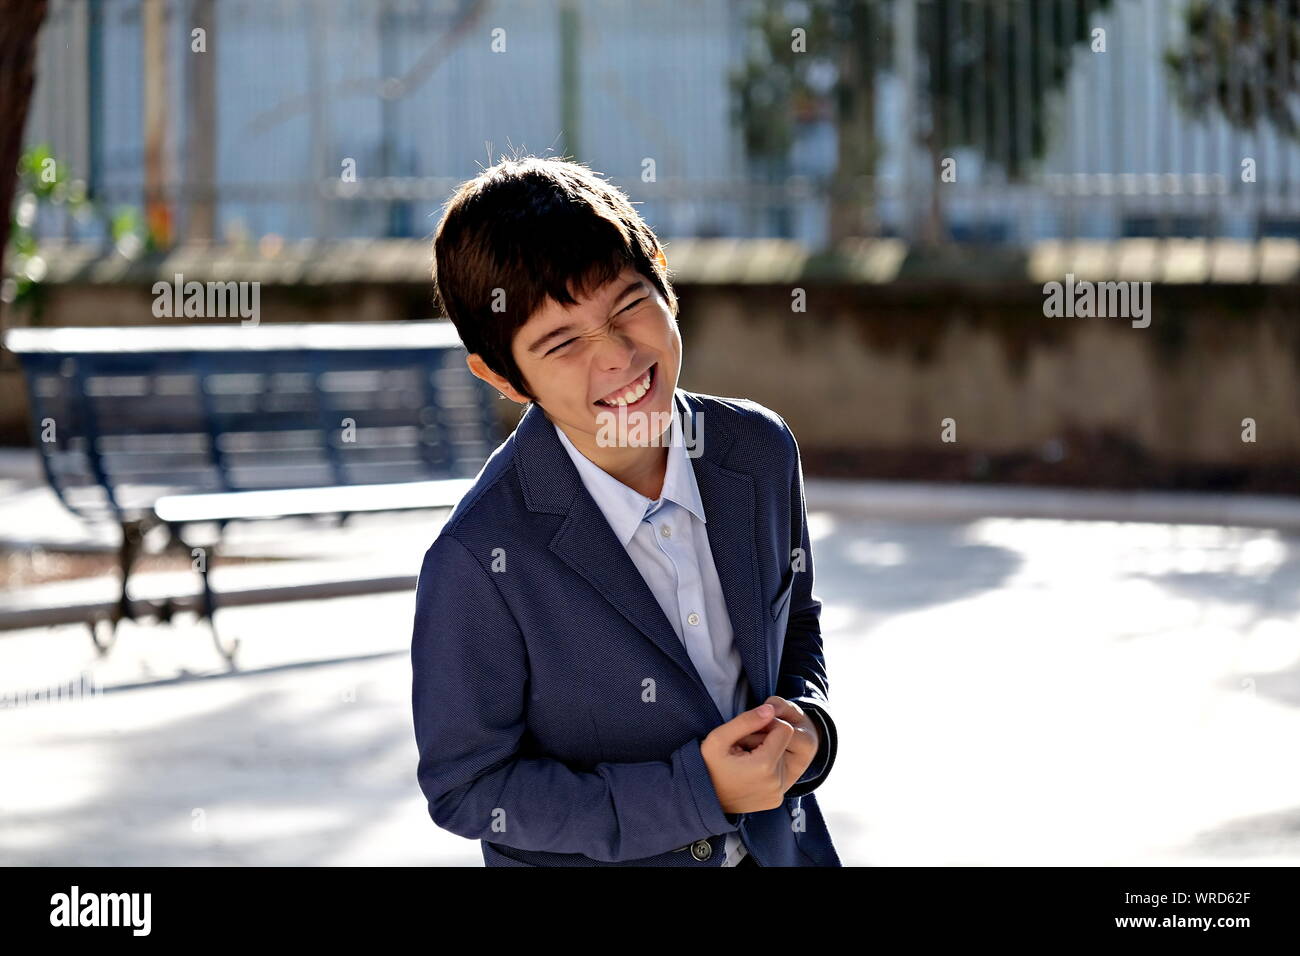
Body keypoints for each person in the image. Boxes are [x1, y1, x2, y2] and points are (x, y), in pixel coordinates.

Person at [411, 154, 840, 867]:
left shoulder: (758, 452)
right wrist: (698, 793)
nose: (615, 357)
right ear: (501, 375)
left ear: (666, 283)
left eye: (627, 306)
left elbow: (795, 620)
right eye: (561, 343)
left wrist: (811, 727)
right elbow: (467, 788)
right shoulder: (478, 559)